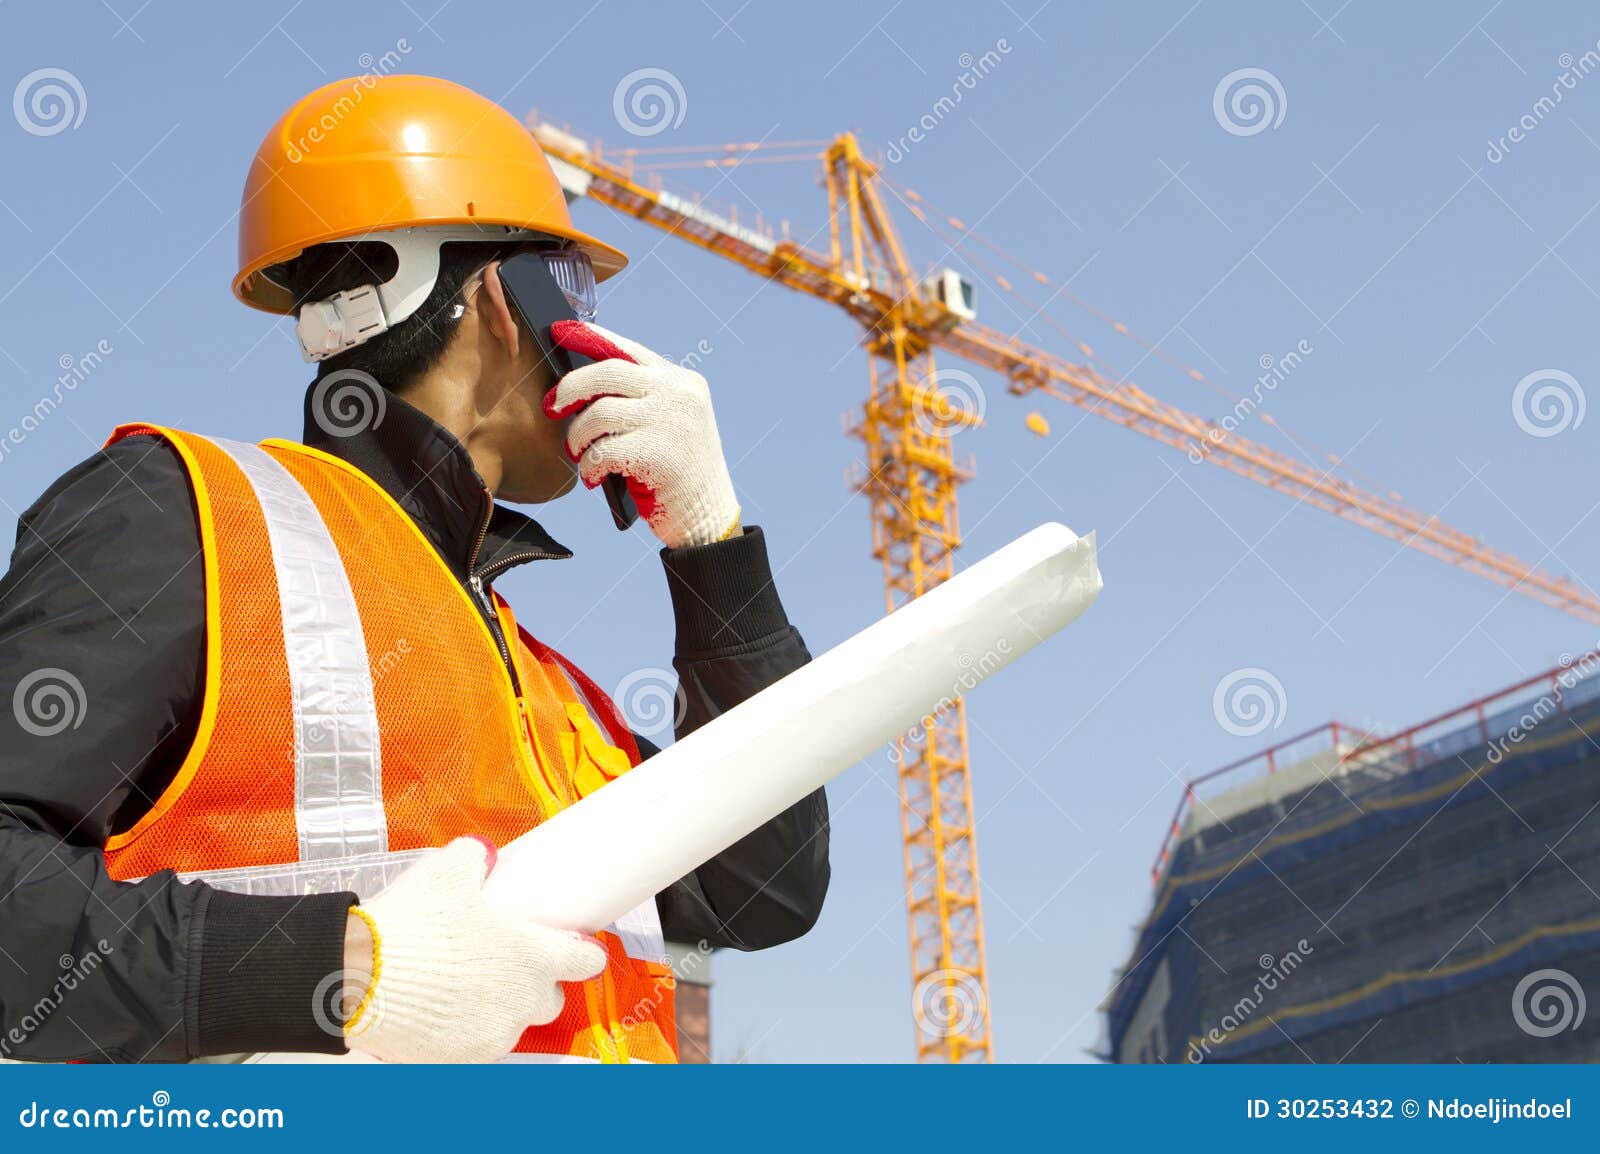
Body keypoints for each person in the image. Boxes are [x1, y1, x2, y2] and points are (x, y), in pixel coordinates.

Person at [0, 74, 829, 1064]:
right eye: (572, 289)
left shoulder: (553, 697)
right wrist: (339, 968)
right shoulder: (190, 513)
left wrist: (711, 543)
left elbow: (764, 887)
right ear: (499, 298)